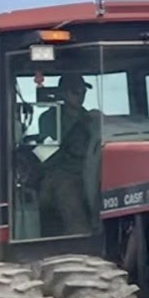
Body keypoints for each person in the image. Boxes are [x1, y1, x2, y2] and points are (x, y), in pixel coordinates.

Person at [37, 73, 98, 236]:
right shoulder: (49, 118)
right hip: (58, 173)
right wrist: (78, 129)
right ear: (63, 93)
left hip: (90, 170)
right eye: (75, 92)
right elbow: (50, 152)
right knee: (68, 188)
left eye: (83, 92)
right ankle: (81, 239)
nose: (81, 96)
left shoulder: (92, 118)